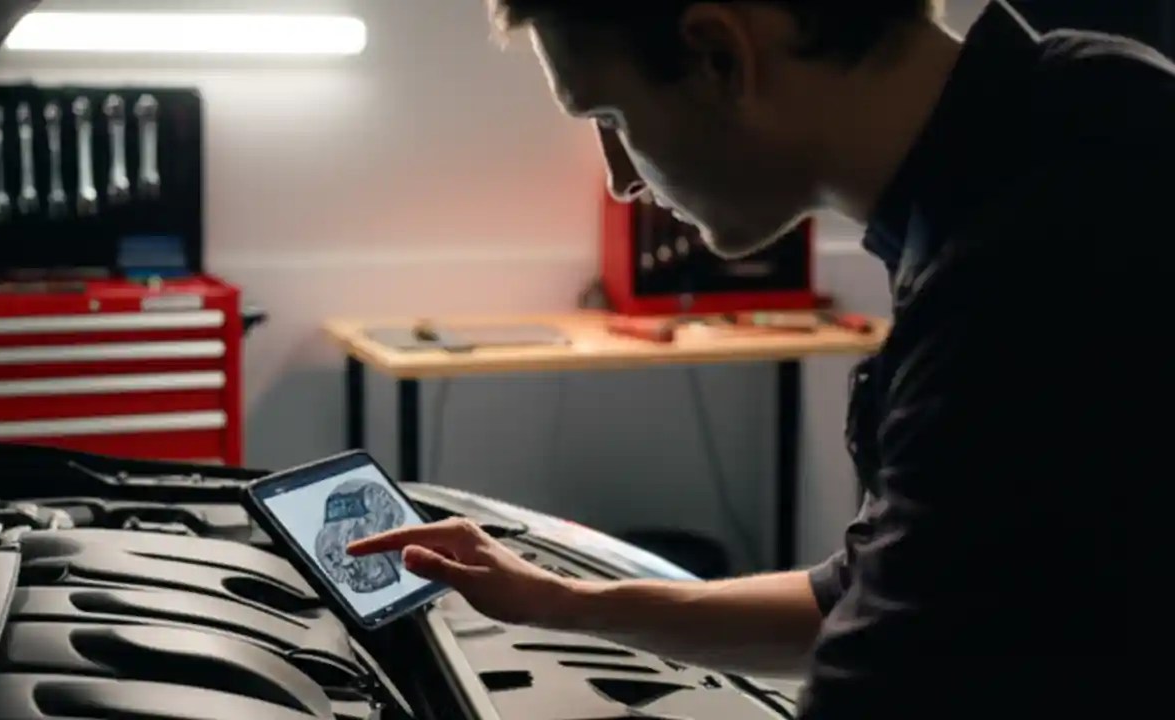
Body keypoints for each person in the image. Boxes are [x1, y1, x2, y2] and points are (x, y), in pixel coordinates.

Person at [351, 1, 1154, 715]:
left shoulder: (1030, 265)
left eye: (612, 116)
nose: (620, 180)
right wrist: (559, 603)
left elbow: (890, 669)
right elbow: (859, 599)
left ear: (719, 56)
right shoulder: (1076, 117)